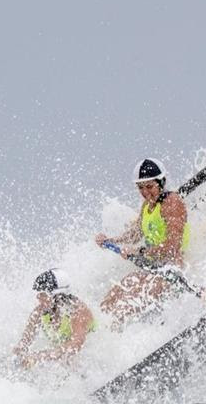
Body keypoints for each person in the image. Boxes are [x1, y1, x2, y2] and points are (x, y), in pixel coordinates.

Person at [95, 158, 190, 326]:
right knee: (111, 299)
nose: (145, 192)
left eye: (149, 186)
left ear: (161, 183)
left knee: (123, 309)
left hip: (173, 271)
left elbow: (172, 247)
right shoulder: (147, 205)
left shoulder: (172, 203)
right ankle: (100, 337)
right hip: (153, 267)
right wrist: (111, 240)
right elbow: (136, 233)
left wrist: (139, 252)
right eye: (140, 188)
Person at [13, 269, 95, 369]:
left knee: (72, 361)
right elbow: (25, 341)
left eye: (43, 294)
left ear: (58, 296)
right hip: (66, 358)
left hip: (91, 357)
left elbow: (75, 346)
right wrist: (19, 352)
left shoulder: (78, 312)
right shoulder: (39, 312)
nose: (38, 298)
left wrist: (39, 357)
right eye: (38, 294)